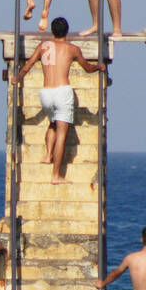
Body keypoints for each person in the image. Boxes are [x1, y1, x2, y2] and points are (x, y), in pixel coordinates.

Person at [11, 16, 103, 183]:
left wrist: (17, 78)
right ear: (66, 31)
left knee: (52, 122)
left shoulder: (43, 46)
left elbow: (28, 65)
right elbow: (87, 68)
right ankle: (56, 175)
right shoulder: (72, 49)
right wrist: (99, 67)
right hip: (62, 92)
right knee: (62, 133)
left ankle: (48, 155)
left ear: (52, 31)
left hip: (46, 93)